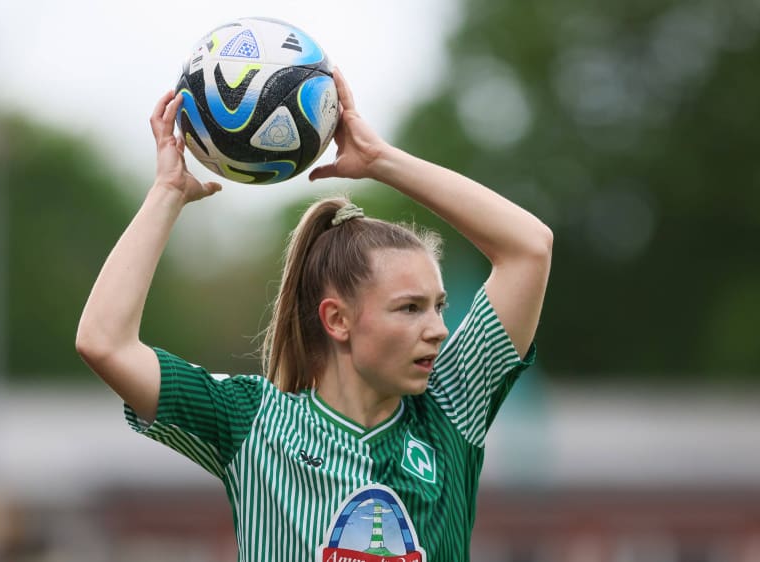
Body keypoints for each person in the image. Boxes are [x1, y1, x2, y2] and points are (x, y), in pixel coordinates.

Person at [76, 67, 552, 561]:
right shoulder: (253, 422)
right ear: (337, 320)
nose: (437, 330)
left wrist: (380, 160)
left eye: (438, 307)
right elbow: (104, 342)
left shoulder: (451, 406)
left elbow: (529, 249)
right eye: (409, 308)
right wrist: (168, 192)